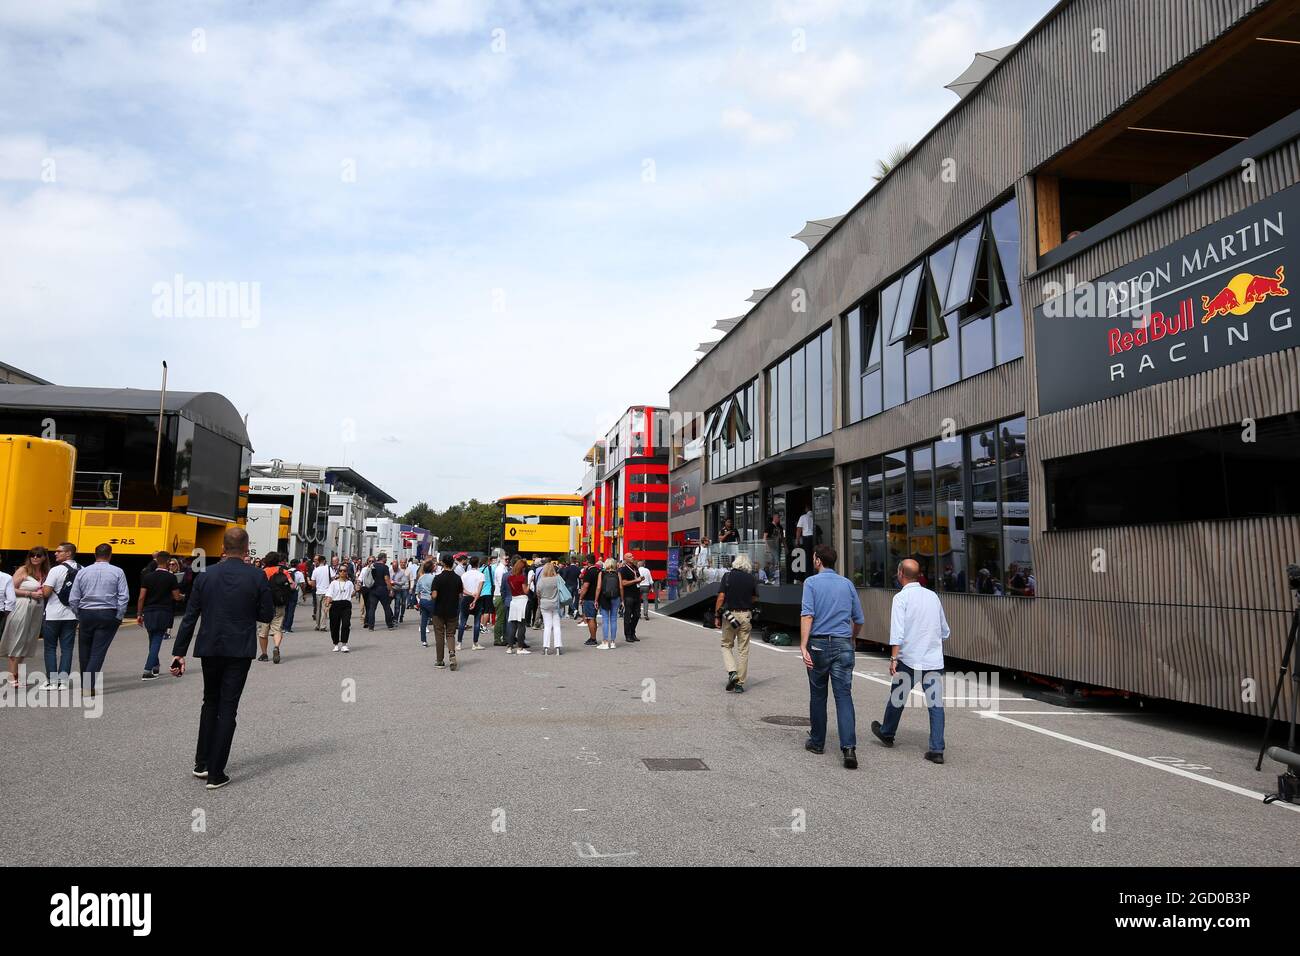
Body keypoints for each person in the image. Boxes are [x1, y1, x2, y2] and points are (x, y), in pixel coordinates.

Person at [169, 527, 274, 790]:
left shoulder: (205, 575)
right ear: (247, 548)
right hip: (239, 648)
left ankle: (202, 763)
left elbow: (190, 616)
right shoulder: (257, 576)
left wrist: (179, 652)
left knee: (210, 702)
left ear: (223, 548)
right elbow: (266, 614)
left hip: (210, 646)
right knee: (228, 706)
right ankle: (217, 773)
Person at [872, 558, 950, 763]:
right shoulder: (933, 596)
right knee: (935, 704)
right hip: (933, 660)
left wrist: (893, 658)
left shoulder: (901, 598)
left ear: (900, 574)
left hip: (910, 658)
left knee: (897, 697)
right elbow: (944, 630)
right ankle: (937, 749)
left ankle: (887, 732)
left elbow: (897, 631)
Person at [799, 545, 863, 770]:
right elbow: (859, 619)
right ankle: (849, 749)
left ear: (817, 561)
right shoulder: (847, 584)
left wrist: (803, 644)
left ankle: (817, 742)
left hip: (818, 644)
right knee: (844, 695)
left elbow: (808, 614)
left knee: (818, 694)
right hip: (843, 644)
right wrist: (852, 638)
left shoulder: (811, 583)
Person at [69, 543, 129, 695]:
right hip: (107, 613)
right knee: (98, 651)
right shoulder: (118, 572)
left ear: (94, 555)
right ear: (110, 555)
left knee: (84, 650)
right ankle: (88, 686)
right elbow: (123, 596)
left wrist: (78, 614)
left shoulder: (83, 572)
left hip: (86, 613)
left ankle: (85, 684)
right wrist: (119, 615)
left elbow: (73, 598)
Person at [2, 546, 48, 688]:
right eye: (32, 555)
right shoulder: (23, 570)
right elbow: (10, 589)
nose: (35, 558)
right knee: (17, 639)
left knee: (27, 641)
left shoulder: (44, 572)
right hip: (22, 606)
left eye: (38, 555)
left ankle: (18, 677)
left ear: (44, 557)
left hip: (36, 609)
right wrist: (30, 594)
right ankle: (12, 677)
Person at [714, 553, 759, 694]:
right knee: (743, 650)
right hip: (745, 615)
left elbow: (721, 598)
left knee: (726, 645)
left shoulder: (727, 576)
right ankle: (739, 684)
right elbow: (755, 597)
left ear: (735, 563)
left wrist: (717, 615)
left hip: (730, 616)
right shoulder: (751, 578)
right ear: (747, 565)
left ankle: (732, 672)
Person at [136, 550, 182, 680]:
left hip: (149, 612)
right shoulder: (171, 577)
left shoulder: (148, 577)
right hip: (163, 611)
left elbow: (141, 597)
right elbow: (176, 596)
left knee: (152, 640)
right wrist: (183, 596)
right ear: (167, 562)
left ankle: (155, 666)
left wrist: (139, 614)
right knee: (156, 640)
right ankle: (147, 670)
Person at [39, 542, 80, 690]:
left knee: (50, 648)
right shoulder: (82, 569)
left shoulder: (56, 570)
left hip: (53, 615)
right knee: (67, 649)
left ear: (68, 553)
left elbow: (46, 593)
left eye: (59, 551)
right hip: (72, 615)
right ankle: (63, 682)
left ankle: (51, 680)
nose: (55, 553)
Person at [257, 552, 295, 663]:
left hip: (264, 604)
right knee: (277, 628)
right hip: (279, 603)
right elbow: (292, 585)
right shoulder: (283, 571)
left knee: (263, 630)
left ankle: (264, 654)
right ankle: (276, 647)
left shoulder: (263, 572)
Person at [430, 553, 463, 668]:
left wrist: (432, 596)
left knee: (439, 635)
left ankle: (440, 660)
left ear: (443, 563)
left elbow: (434, 595)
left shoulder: (438, 578)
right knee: (450, 634)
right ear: (452, 563)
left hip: (439, 610)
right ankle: (452, 652)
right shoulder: (457, 578)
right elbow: (460, 595)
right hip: (452, 610)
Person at [456, 556, 486, 651]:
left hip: (466, 598)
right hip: (477, 599)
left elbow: (462, 590)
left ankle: (459, 643)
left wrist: (470, 593)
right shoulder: (481, 575)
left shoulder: (464, 575)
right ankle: (475, 643)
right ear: (478, 564)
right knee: (477, 622)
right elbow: (479, 590)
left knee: (462, 621)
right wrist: (475, 599)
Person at [324, 564, 355, 651]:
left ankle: (344, 644)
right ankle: (336, 643)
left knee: (346, 624)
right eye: (341, 571)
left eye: (344, 571)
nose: (342, 572)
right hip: (335, 604)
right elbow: (329, 594)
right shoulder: (333, 583)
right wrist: (327, 602)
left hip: (346, 604)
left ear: (347, 572)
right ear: (338, 572)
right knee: (334, 625)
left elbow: (352, 593)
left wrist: (355, 591)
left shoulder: (349, 583)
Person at [537, 560, 564, 655]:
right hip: (555, 604)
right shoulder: (557, 579)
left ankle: (546, 647)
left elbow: (538, 592)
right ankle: (558, 647)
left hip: (544, 604)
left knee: (547, 626)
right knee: (556, 626)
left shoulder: (541, 580)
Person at [504, 559, 531, 655]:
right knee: (521, 625)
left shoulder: (509, 578)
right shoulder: (522, 577)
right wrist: (530, 582)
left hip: (514, 601)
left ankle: (510, 647)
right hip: (522, 601)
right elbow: (526, 591)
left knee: (513, 625)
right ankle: (520, 647)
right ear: (522, 568)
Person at [365, 553, 395, 630]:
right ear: (383, 558)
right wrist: (391, 590)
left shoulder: (372, 566)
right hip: (382, 589)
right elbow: (386, 579)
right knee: (386, 607)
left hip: (373, 589)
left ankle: (371, 626)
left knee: (372, 608)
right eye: (386, 558)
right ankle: (390, 625)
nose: (387, 559)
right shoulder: (385, 567)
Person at [595, 558, 621, 650]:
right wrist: (622, 599)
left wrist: (596, 600)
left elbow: (598, 587)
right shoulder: (617, 574)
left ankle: (605, 642)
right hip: (616, 597)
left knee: (605, 620)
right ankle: (613, 642)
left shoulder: (601, 574)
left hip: (604, 598)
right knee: (613, 619)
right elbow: (621, 587)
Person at [578, 554, 601, 646]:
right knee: (593, 618)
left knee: (590, 618)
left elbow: (586, 586)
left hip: (589, 598)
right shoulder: (598, 570)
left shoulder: (589, 572)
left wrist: (581, 597)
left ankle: (593, 638)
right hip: (596, 597)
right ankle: (593, 637)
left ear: (587, 561)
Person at [618, 554, 641, 643]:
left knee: (637, 615)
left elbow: (637, 578)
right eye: (630, 557)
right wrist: (635, 580)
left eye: (632, 556)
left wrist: (640, 579)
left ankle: (632, 632)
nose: (633, 557)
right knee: (627, 616)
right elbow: (623, 583)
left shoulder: (635, 567)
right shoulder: (623, 569)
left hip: (636, 594)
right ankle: (628, 634)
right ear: (625, 559)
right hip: (628, 595)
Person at [415, 559, 436, 648]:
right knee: (437, 619)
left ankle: (423, 640)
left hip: (423, 600)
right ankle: (440, 637)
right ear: (431, 568)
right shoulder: (434, 578)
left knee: (423, 621)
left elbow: (417, 591)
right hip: (431, 600)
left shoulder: (421, 578)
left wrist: (420, 599)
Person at [492, 553, 510, 645]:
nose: (507, 560)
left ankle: (501, 637)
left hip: (500, 594)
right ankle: (497, 639)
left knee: (502, 618)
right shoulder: (500, 569)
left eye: (508, 559)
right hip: (500, 595)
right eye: (505, 559)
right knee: (500, 618)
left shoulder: (503, 568)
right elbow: (501, 584)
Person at [310, 555, 332, 631]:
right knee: (324, 609)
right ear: (324, 561)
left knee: (318, 609)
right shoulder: (329, 568)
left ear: (318, 561)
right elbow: (333, 578)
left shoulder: (315, 570)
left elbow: (313, 583)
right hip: (327, 592)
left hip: (318, 592)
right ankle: (323, 626)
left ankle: (317, 625)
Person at [391, 559, 411, 623]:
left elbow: (412, 579)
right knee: (397, 603)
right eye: (401, 562)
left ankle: (401, 615)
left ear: (406, 563)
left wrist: (411, 588)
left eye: (404, 562)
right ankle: (395, 617)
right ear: (400, 563)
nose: (403, 563)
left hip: (405, 588)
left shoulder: (408, 570)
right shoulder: (395, 569)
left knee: (403, 603)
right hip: (397, 589)